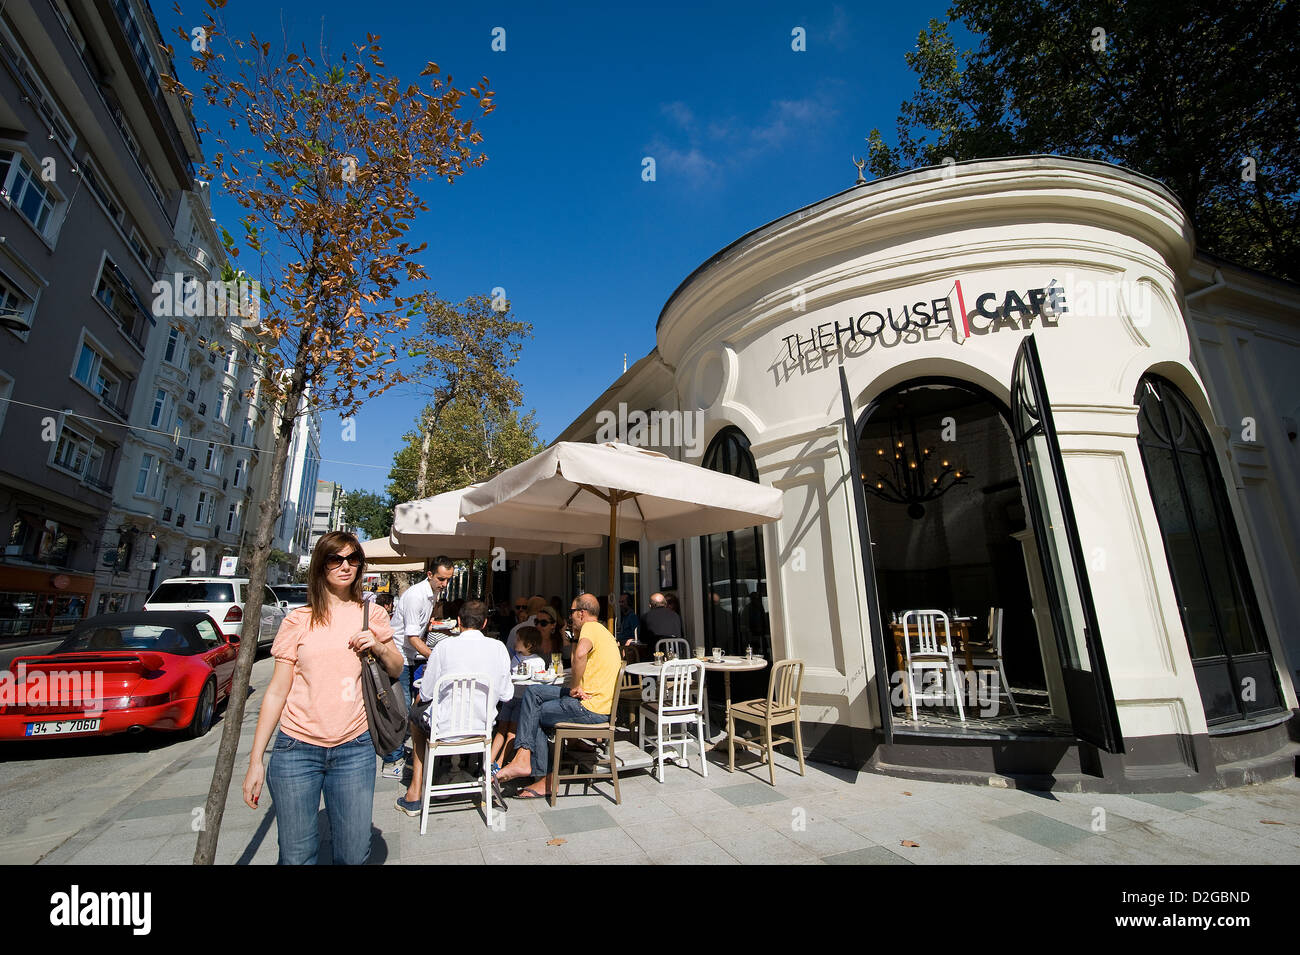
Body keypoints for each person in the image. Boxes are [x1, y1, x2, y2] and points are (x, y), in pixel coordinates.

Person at [241, 531, 400, 865]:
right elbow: (277, 691)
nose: (346, 566)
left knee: (355, 853)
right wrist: (256, 760)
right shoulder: (298, 620)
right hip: (296, 750)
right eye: (335, 559)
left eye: (353, 559)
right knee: (297, 856)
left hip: (354, 748)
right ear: (320, 565)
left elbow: (397, 667)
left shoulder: (372, 615)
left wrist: (379, 644)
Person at [495, 593, 619, 799]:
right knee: (533, 693)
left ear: (581, 613)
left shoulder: (590, 627)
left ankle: (542, 777)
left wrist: (575, 686)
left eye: (571, 613)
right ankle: (525, 757)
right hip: (593, 703)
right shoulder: (602, 631)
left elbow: (579, 655)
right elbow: (579, 655)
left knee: (536, 711)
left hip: (590, 708)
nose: (569, 618)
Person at [396, 599, 512, 816]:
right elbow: (507, 694)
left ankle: (415, 791)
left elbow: (427, 693)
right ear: (485, 623)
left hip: (445, 727)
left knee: (415, 717)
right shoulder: (498, 648)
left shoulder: (444, 647)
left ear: (459, 621)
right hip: (482, 728)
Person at [382, 558, 455, 777]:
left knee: (417, 706)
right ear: (430, 575)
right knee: (401, 708)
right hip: (401, 655)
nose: (444, 584)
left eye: (448, 580)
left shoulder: (433, 594)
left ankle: (413, 753)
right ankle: (392, 759)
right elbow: (412, 637)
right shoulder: (415, 595)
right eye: (441, 579)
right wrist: (436, 657)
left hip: (413, 656)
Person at [491, 625, 547, 766]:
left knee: (512, 732)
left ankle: (500, 762)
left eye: (518, 639)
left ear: (529, 644)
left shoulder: (538, 661)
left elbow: (538, 682)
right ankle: (489, 761)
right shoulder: (515, 658)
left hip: (523, 700)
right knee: (500, 730)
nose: (515, 642)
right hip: (511, 697)